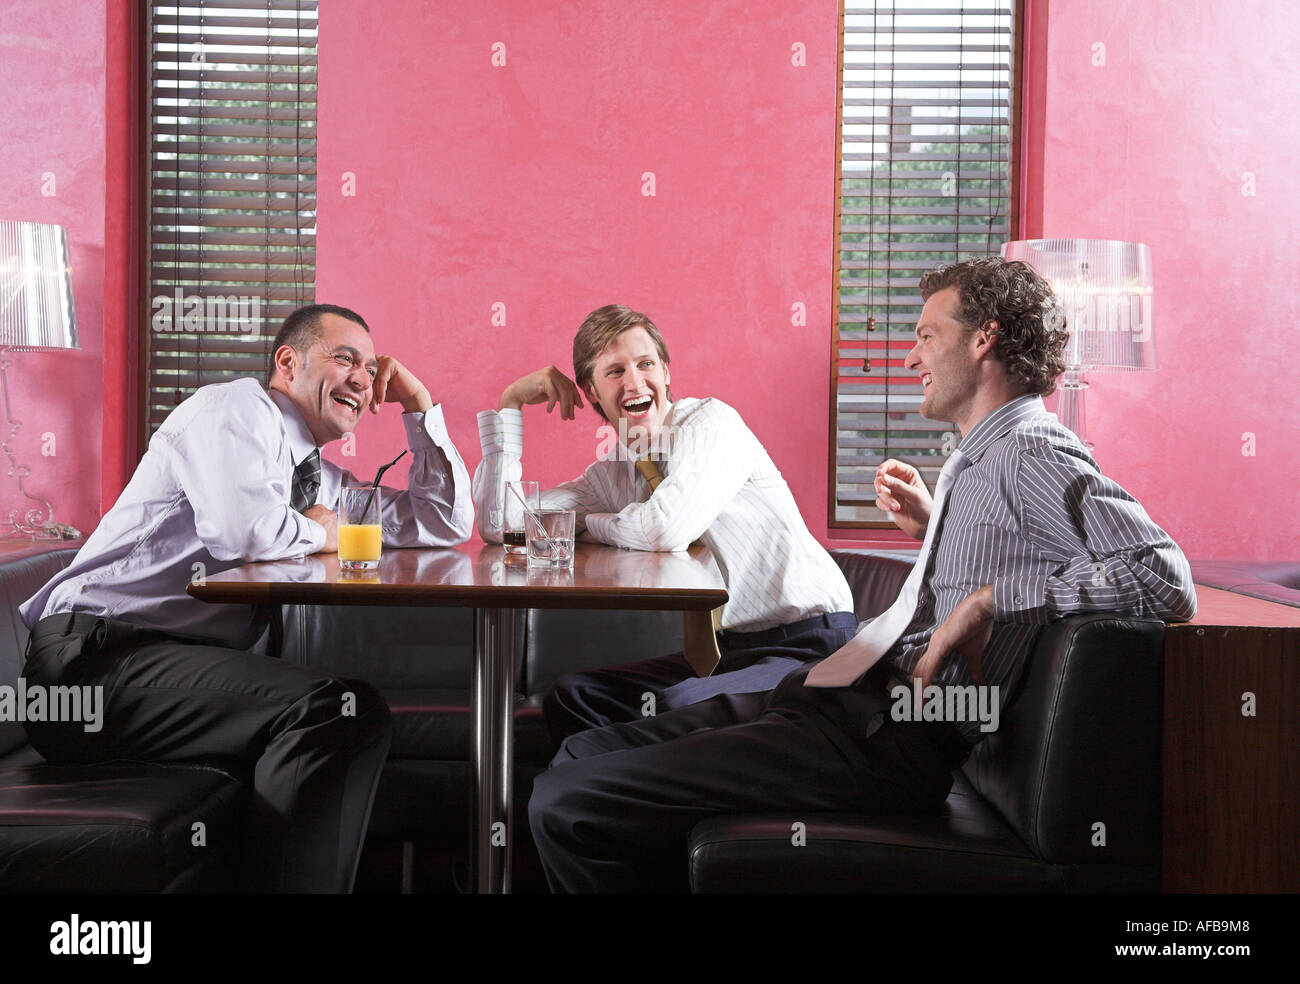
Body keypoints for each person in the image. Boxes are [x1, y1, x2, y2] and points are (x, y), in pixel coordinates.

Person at [526, 259, 1198, 893]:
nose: (909, 356)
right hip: (838, 695)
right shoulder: (981, 456)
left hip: (885, 734)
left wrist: (996, 598)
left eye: (926, 335)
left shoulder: (1028, 448)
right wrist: (940, 533)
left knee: (566, 803)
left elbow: (1164, 576)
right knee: (579, 756)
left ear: (984, 341)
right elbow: (1011, 548)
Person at [19, 303, 474, 892]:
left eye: (371, 366)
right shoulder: (234, 408)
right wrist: (325, 532)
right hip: (89, 669)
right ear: (288, 361)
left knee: (344, 709)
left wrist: (420, 407)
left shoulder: (316, 476)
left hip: (165, 668)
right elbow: (243, 533)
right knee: (338, 711)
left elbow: (442, 522)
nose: (364, 378)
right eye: (345, 359)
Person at [473, 303, 856, 743]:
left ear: (667, 373)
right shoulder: (612, 475)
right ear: (592, 391)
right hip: (736, 652)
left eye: (645, 364)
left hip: (811, 645)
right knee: (573, 697)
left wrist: (591, 523)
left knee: (678, 706)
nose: (635, 383)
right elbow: (504, 527)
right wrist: (510, 405)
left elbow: (663, 530)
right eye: (615, 372)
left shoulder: (711, 423)